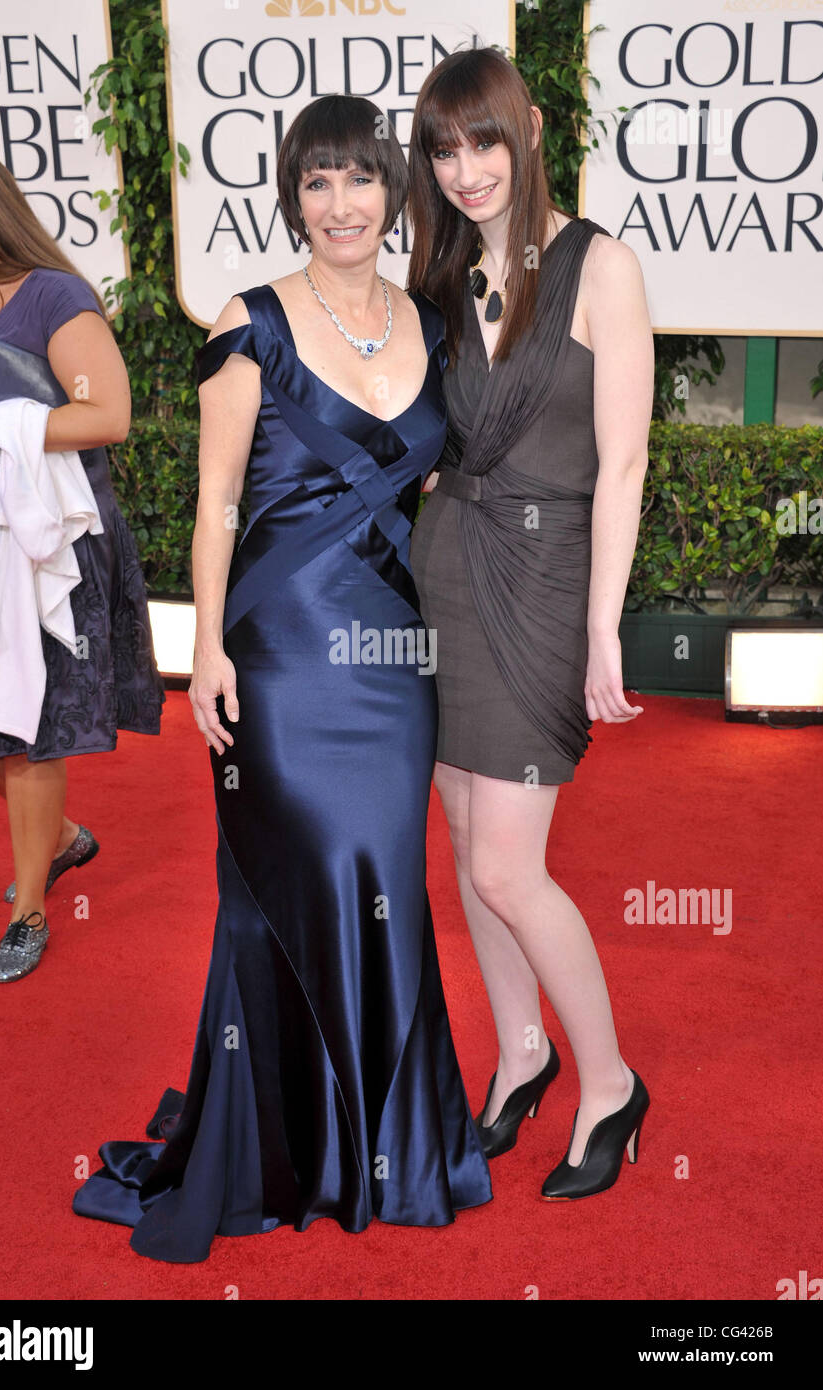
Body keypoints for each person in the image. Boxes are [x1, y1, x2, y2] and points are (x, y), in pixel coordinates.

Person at [71, 94, 492, 1260]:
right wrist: (202, 645)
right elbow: (212, 501)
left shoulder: (430, 326)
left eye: (361, 179)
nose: (342, 204)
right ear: (290, 197)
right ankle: (279, 1140)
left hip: (393, 660)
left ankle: (390, 1143)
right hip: (279, 647)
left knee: (388, 880)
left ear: (393, 191)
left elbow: (439, 496)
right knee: (293, 876)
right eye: (317, 182)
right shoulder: (247, 321)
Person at [407, 48, 654, 1200]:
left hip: (546, 576)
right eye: (443, 150)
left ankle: (606, 1081)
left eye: (481, 141)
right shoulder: (439, 274)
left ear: (527, 130)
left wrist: (602, 625)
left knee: (509, 863)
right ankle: (521, 1051)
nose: (464, 170)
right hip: (442, 565)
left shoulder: (599, 264)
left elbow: (622, 461)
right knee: (464, 842)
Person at [0, 136, 164, 983]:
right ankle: (65, 839)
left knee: (27, 731)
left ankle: (32, 907)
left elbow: (108, 413)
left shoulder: (51, 296)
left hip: (48, 548)